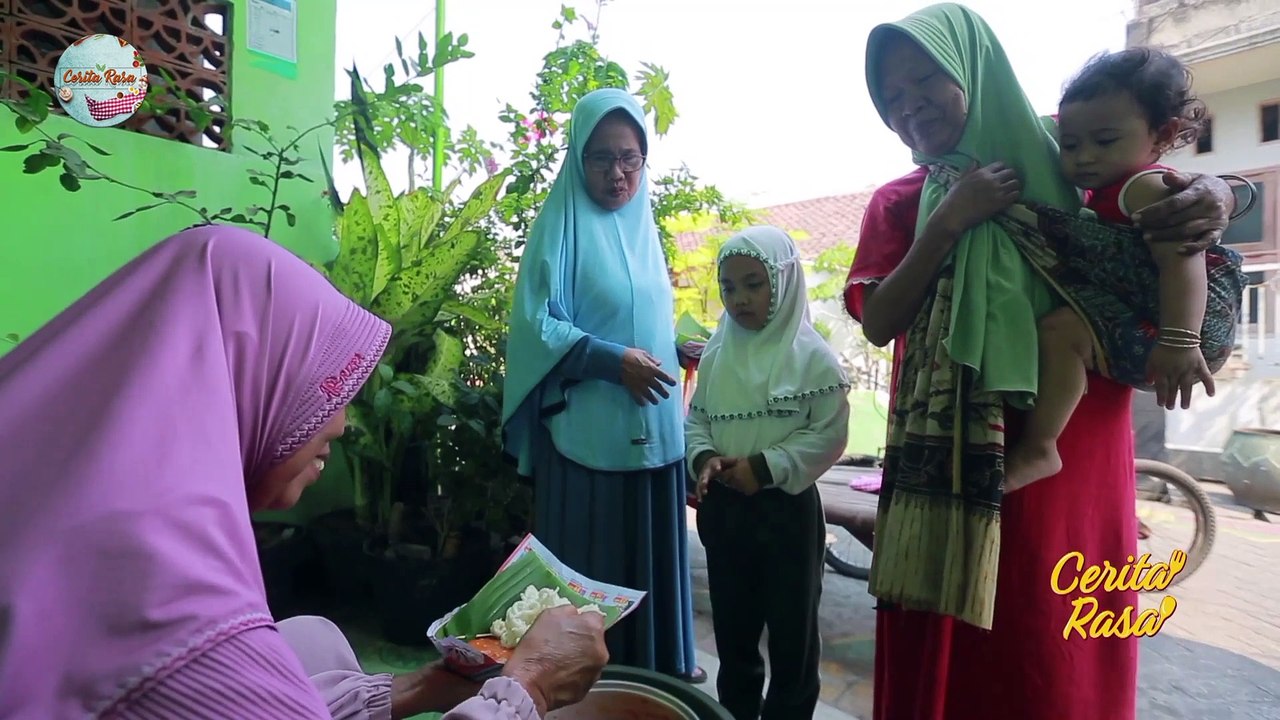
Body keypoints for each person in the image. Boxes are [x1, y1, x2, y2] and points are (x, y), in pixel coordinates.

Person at [0, 225, 608, 719]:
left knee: (311, 640)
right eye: (323, 387)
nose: (341, 424)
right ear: (236, 378)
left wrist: (427, 686)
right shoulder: (178, 609)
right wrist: (528, 686)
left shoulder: (82, 497)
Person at [843, 4, 1238, 719]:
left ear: (973, 68)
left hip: (1070, 458)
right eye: (890, 96)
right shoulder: (901, 202)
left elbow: (1154, 185)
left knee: (1051, 653)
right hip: (953, 465)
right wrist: (949, 220)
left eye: (926, 78)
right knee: (948, 649)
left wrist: (1215, 189)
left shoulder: (1071, 164)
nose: (910, 106)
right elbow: (878, 320)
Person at [501, 88, 703, 683]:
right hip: (588, 441)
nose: (618, 173)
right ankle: (583, 693)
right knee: (590, 577)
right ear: (577, 158)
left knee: (651, 570)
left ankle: (656, 683)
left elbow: (640, 314)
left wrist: (677, 347)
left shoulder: (646, 232)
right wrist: (611, 361)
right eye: (601, 158)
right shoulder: (560, 226)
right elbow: (537, 324)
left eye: (630, 158)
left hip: (655, 435)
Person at [1005, 47, 1246, 490]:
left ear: (1162, 133)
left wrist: (1178, 340)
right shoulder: (1104, 189)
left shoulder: (1146, 187)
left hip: (1183, 333)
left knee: (1060, 333)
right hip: (1161, 324)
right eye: (1071, 144)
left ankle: (1040, 446)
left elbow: (1183, 261)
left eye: (1105, 140)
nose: (1084, 157)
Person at [686, 226, 850, 720]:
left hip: (786, 512)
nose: (740, 300)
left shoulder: (813, 360)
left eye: (754, 284)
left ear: (783, 282)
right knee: (733, 627)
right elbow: (697, 419)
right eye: (729, 287)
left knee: (792, 630)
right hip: (727, 512)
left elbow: (828, 434)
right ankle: (735, 711)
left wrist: (765, 467)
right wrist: (705, 457)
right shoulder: (717, 355)